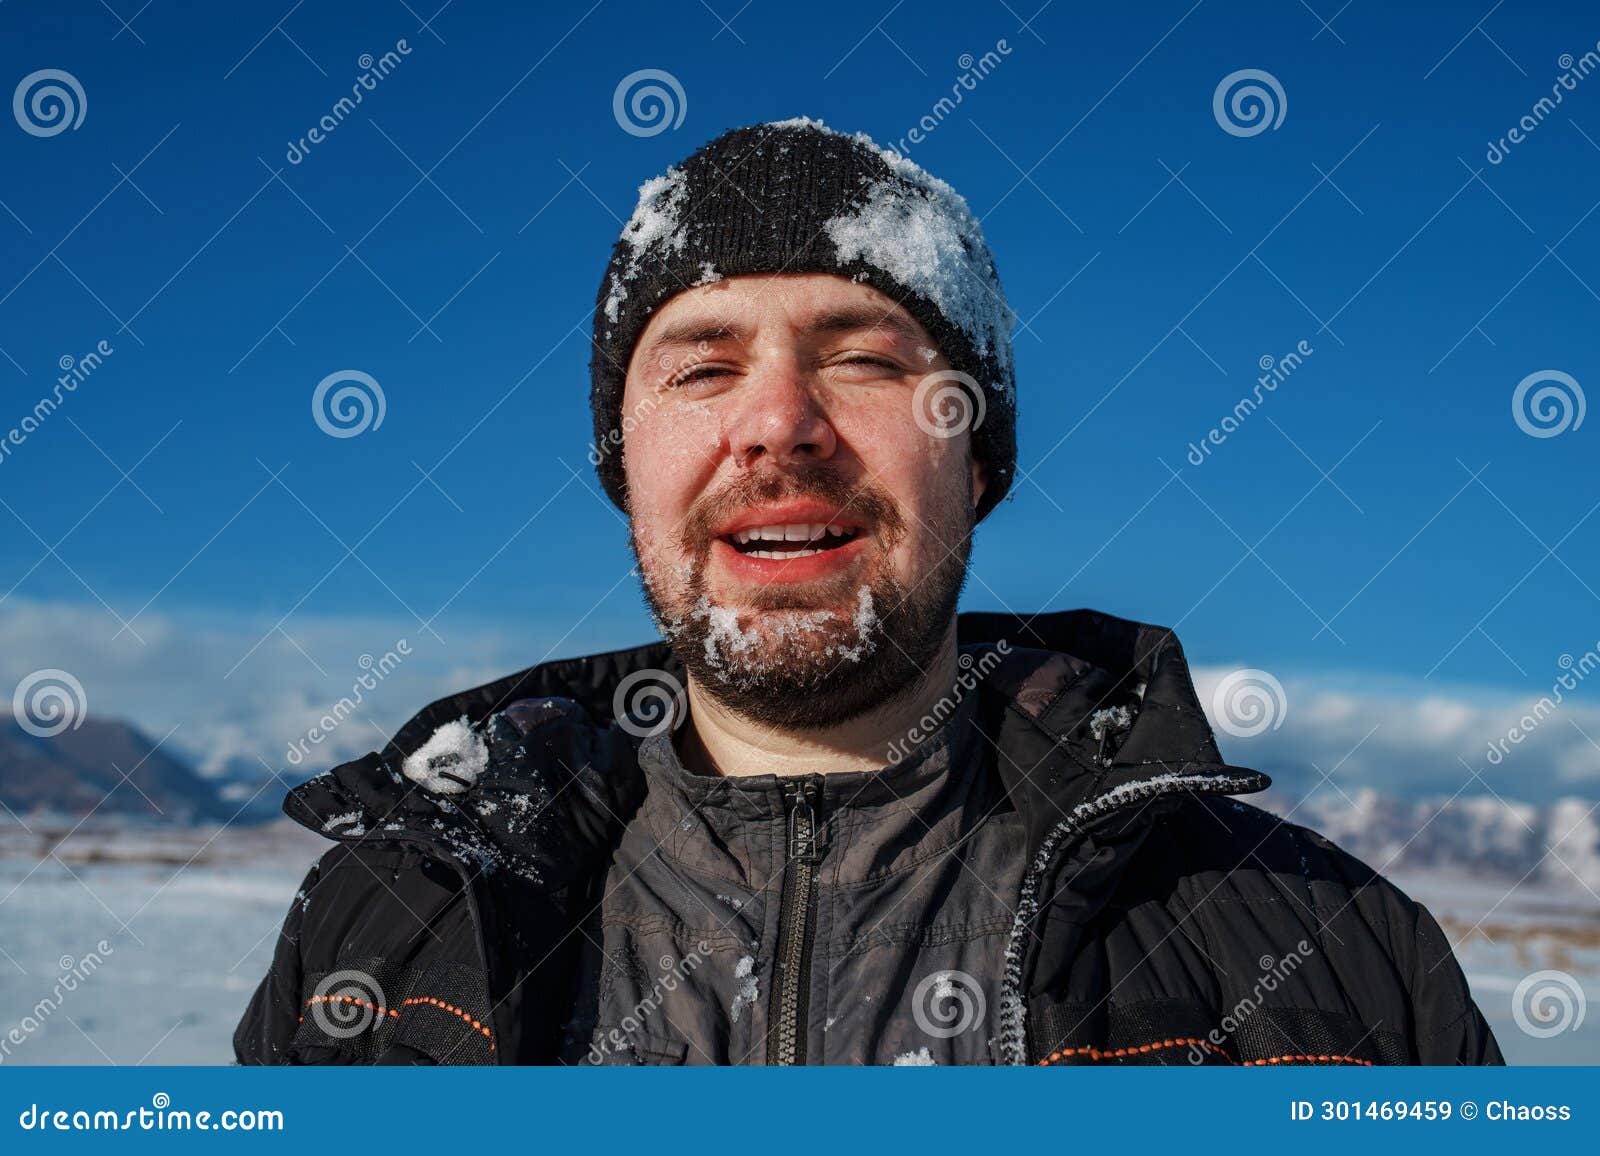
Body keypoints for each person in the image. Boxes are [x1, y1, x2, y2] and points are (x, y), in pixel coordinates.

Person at [235, 118, 1501, 1066]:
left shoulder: (1333, 962)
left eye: (862, 360)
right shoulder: (386, 932)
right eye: (702, 369)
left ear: (977, 456)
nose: (778, 424)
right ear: (626, 464)